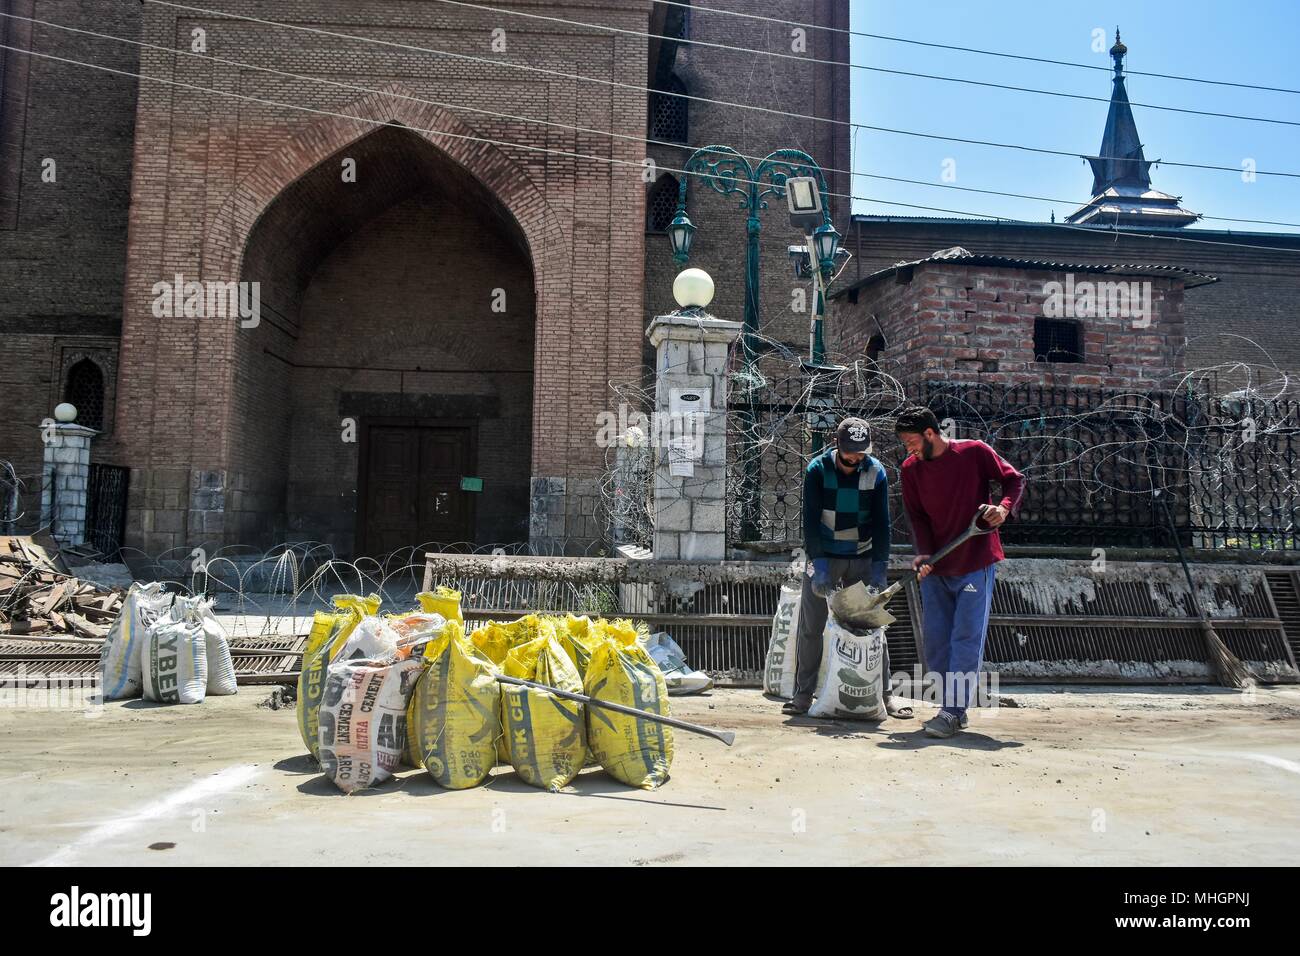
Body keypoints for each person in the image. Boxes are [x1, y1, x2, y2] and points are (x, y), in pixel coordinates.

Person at [895, 405, 1025, 738]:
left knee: (965, 637)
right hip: (937, 564)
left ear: (929, 433)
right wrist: (923, 552)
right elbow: (917, 516)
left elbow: (1013, 480)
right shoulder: (910, 469)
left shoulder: (975, 453)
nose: (907, 449)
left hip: (975, 560)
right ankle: (953, 706)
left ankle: (952, 711)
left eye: (911, 441)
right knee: (937, 640)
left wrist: (1002, 509)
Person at [782, 417, 911, 719]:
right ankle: (802, 695)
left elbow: (882, 525)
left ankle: (885, 695)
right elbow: (810, 522)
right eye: (850, 452)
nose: (855, 458)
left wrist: (879, 568)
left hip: (862, 557)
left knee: (872, 627)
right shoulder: (817, 470)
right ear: (836, 445)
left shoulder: (876, 471)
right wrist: (820, 565)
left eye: (861, 452)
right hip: (824, 556)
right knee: (811, 627)